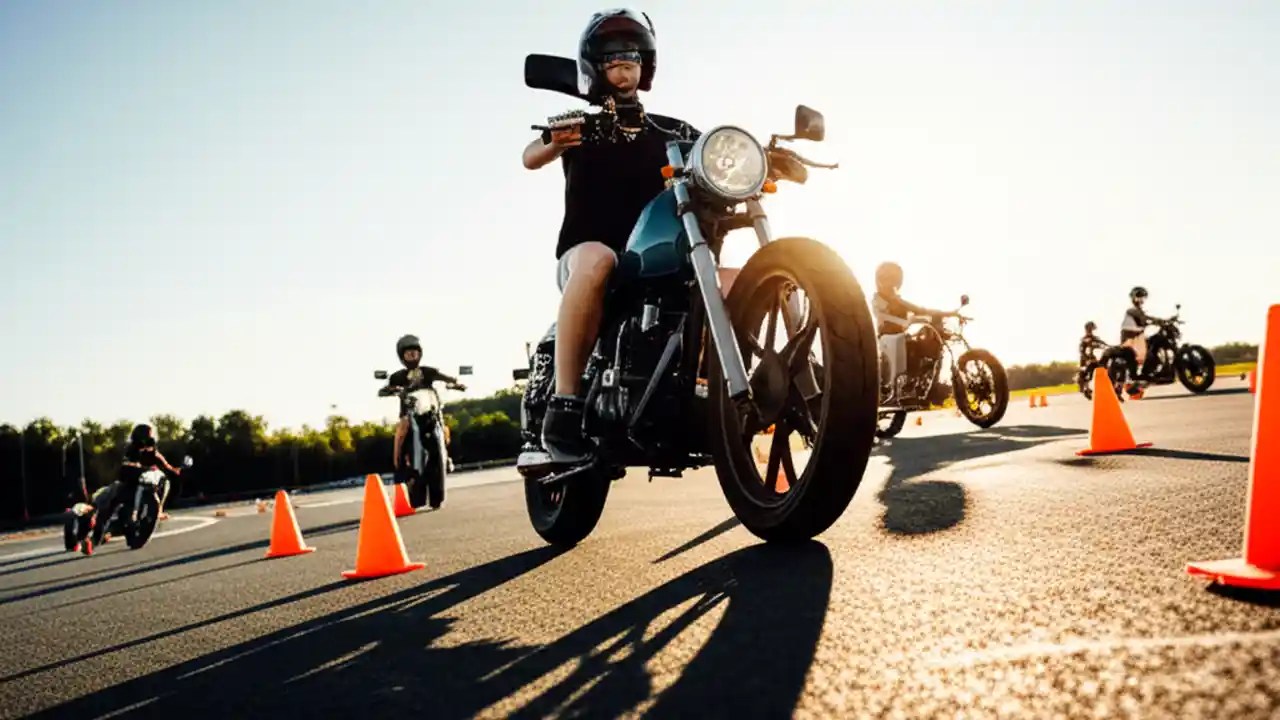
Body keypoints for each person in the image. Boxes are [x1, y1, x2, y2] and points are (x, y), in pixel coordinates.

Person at [521, 9, 699, 467]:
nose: (624, 67)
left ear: (647, 66)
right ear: (596, 68)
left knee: (727, 276)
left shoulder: (672, 130)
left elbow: (716, 150)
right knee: (600, 258)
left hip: (655, 258)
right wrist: (557, 142)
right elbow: (531, 155)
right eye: (614, 59)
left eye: (633, 58)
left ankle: (721, 389)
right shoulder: (581, 125)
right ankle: (564, 405)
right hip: (587, 252)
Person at [379, 334, 465, 475]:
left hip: (431, 409)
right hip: (409, 413)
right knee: (401, 431)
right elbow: (387, 388)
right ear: (402, 357)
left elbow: (445, 377)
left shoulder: (428, 371)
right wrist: (388, 390)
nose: (412, 356)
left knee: (443, 427)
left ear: (420, 354)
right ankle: (398, 463)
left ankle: (446, 457)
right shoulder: (397, 376)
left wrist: (455, 382)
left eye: (415, 352)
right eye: (408, 353)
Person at [870, 261, 956, 400]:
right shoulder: (877, 299)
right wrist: (905, 321)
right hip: (886, 337)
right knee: (905, 342)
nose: (891, 283)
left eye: (894, 279)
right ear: (879, 280)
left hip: (901, 335)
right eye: (887, 278)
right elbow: (881, 315)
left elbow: (920, 309)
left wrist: (948, 313)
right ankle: (891, 387)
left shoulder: (898, 300)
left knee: (922, 345)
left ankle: (915, 383)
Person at [92, 423, 185, 546]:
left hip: (145, 484)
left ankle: (159, 510)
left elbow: (164, 464)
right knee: (111, 501)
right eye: (148, 436)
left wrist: (174, 470)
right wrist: (136, 467)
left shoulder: (152, 452)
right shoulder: (130, 450)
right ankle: (98, 535)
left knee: (165, 482)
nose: (149, 441)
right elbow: (124, 465)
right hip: (130, 483)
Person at [1120, 286, 1152, 373]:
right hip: (1129, 337)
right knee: (1134, 356)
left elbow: (1146, 320)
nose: (1140, 299)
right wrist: (1159, 321)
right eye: (1138, 296)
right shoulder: (1131, 310)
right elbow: (1144, 317)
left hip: (1137, 336)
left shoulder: (1140, 311)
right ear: (1133, 297)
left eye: (1142, 297)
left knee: (1150, 346)